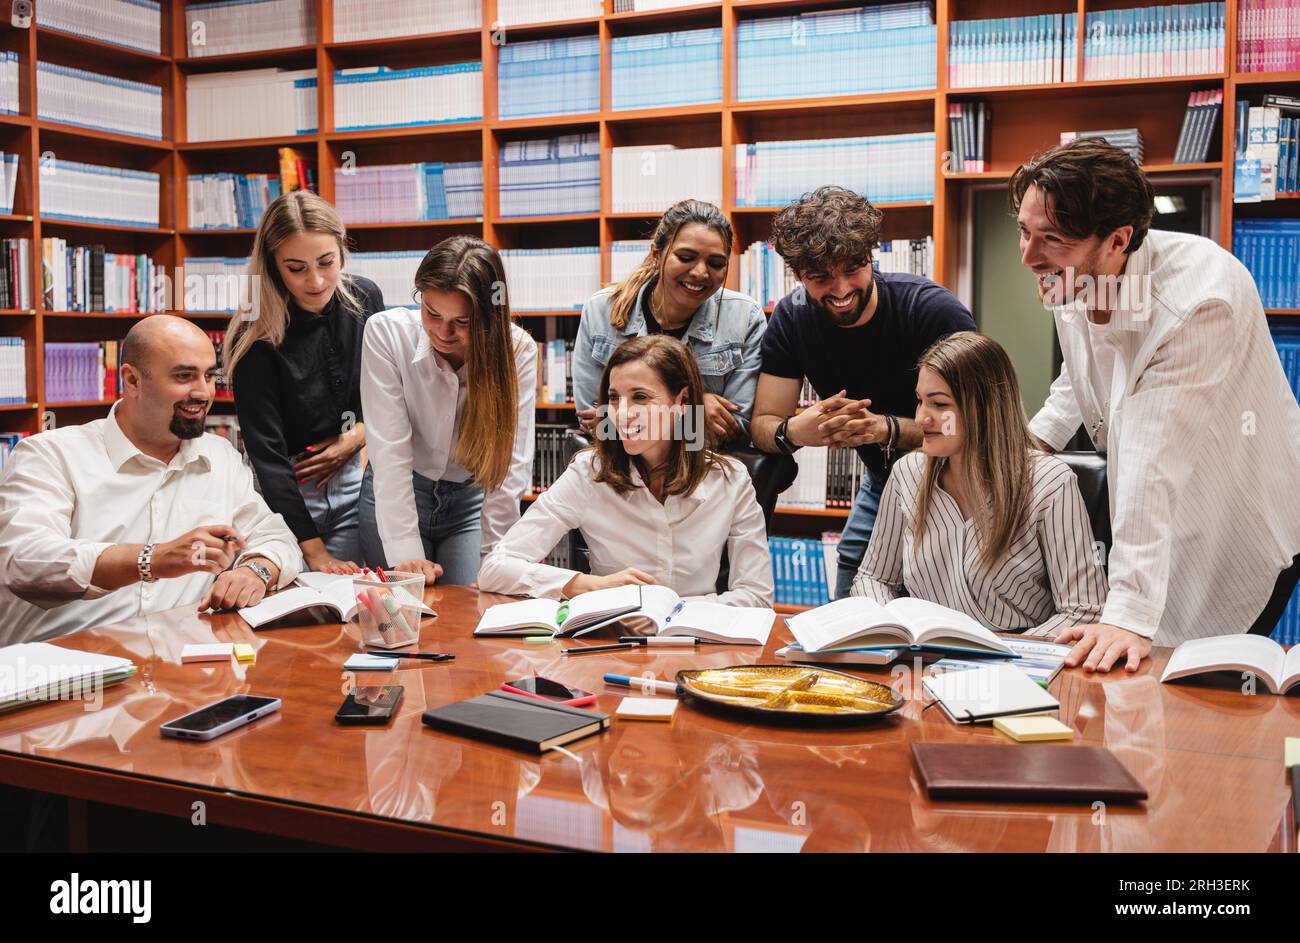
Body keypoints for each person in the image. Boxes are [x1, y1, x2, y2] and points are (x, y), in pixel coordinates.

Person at [1012, 138, 1300, 671]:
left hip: (1235, 514)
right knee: (1135, 670)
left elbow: (1152, 457)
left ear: (1118, 240)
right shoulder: (1077, 273)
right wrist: (1028, 447)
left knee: (1197, 683)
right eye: (1024, 231)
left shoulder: (1197, 299)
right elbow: (1079, 377)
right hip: (1151, 514)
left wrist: (1128, 612)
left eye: (1050, 239)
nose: (1028, 257)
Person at [0, 316, 302, 646]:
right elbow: (25, 561)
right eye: (184, 376)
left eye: (209, 376)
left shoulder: (220, 456)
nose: (203, 392)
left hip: (176, 661)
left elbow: (275, 537)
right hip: (61, 663)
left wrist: (254, 571)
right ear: (132, 380)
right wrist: (151, 559)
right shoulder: (49, 454)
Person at [752, 186, 977, 598]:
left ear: (871, 257)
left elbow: (971, 425)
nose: (840, 290)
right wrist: (796, 432)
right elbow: (763, 424)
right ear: (798, 275)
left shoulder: (931, 310)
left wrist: (886, 430)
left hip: (962, 483)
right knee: (850, 610)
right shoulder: (792, 319)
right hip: (883, 483)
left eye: (852, 269)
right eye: (821, 278)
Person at [479, 335, 772, 607]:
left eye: (640, 397)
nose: (621, 414)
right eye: (614, 398)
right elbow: (494, 569)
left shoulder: (730, 479)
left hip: (698, 636)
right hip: (611, 636)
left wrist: (675, 611)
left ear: (682, 401)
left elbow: (756, 596)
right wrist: (592, 586)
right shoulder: (588, 473)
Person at [852, 332, 1108, 634]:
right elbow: (873, 578)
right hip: (925, 653)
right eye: (920, 401)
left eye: (939, 404)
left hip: (1018, 657)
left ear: (984, 409)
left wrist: (1008, 652)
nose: (921, 419)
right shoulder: (907, 474)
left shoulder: (1050, 482)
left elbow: (1084, 609)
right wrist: (895, 628)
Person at [358, 235, 536, 585]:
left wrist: (498, 559)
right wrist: (405, 550)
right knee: (405, 610)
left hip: (468, 501)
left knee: (474, 603)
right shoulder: (386, 333)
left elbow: (510, 466)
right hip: (398, 492)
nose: (443, 332)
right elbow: (389, 451)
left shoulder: (519, 352)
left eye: (463, 322)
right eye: (432, 313)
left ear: (489, 315)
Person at [225, 190, 386, 575]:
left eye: (326, 262)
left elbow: (390, 395)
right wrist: (313, 552)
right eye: (296, 268)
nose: (315, 280)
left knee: (355, 601)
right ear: (273, 266)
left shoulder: (365, 297)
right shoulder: (254, 335)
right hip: (287, 499)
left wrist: (356, 437)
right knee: (303, 606)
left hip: (356, 484)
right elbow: (267, 458)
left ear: (342, 250)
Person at [573, 199, 765, 446]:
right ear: (657, 254)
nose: (700, 272)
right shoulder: (601, 310)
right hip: (621, 466)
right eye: (686, 257)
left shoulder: (745, 318)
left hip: (705, 466)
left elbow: (734, 429)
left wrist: (630, 417)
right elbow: (596, 424)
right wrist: (695, 407)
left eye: (716, 264)